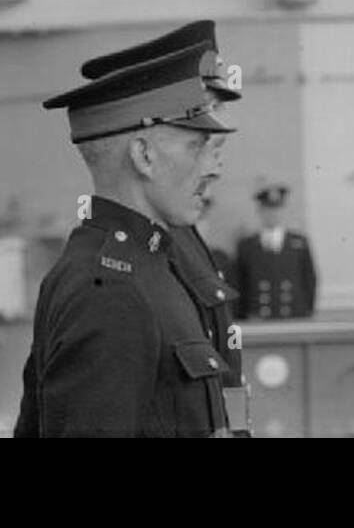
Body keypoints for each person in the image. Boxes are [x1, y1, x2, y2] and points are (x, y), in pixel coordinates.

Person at [15, 34, 243, 437]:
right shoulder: (109, 289)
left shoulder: (153, 266)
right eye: (196, 146)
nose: (214, 168)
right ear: (143, 156)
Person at [235, 184, 317, 320]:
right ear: (260, 211)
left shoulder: (299, 243)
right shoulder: (247, 245)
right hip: (258, 317)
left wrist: (307, 311)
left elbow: (309, 280)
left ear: (284, 210)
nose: (273, 214)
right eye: (268, 209)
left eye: (277, 209)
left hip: (294, 316)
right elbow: (240, 284)